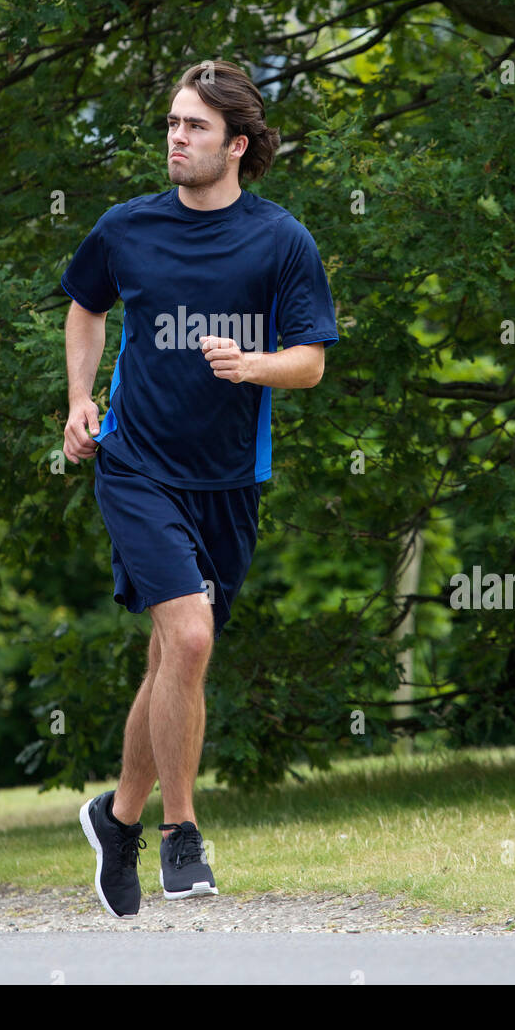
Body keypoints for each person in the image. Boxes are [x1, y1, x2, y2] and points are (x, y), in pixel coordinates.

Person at [60, 58, 339, 917]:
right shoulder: (126, 227)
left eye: (194, 128)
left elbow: (312, 362)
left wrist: (254, 365)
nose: (175, 140)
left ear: (238, 144)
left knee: (169, 659)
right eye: (172, 125)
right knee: (186, 641)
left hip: (228, 480)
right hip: (136, 466)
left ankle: (119, 819)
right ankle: (182, 836)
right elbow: (85, 306)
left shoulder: (281, 240)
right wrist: (78, 399)